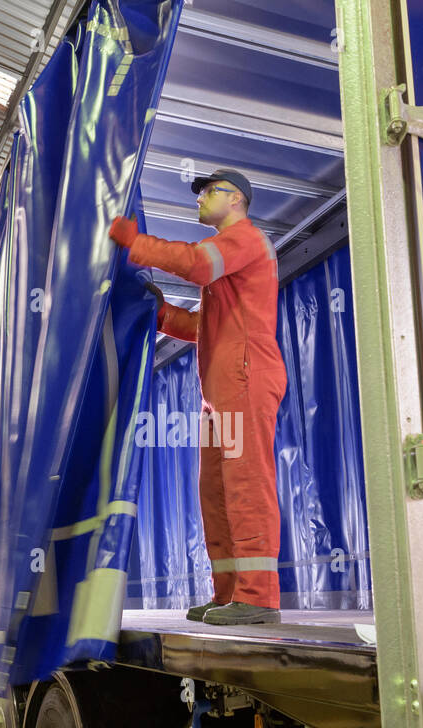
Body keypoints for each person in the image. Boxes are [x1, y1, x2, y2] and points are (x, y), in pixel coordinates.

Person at [109, 168, 286, 625]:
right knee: (217, 493)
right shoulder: (227, 266)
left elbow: (196, 263)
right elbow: (201, 328)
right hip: (221, 389)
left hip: (246, 378)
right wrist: (160, 311)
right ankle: (230, 593)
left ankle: (259, 597)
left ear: (238, 200)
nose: (201, 199)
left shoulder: (245, 240)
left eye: (210, 192)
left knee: (246, 486)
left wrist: (136, 243)